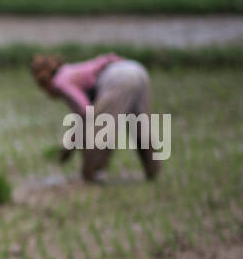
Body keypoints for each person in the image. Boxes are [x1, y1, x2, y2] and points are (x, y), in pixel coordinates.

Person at [31, 53, 160, 182]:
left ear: (45, 81)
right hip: (136, 70)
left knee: (96, 134)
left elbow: (85, 111)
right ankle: (152, 172)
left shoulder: (60, 82)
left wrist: (69, 146)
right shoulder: (70, 70)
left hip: (117, 79)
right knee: (140, 126)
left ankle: (91, 174)